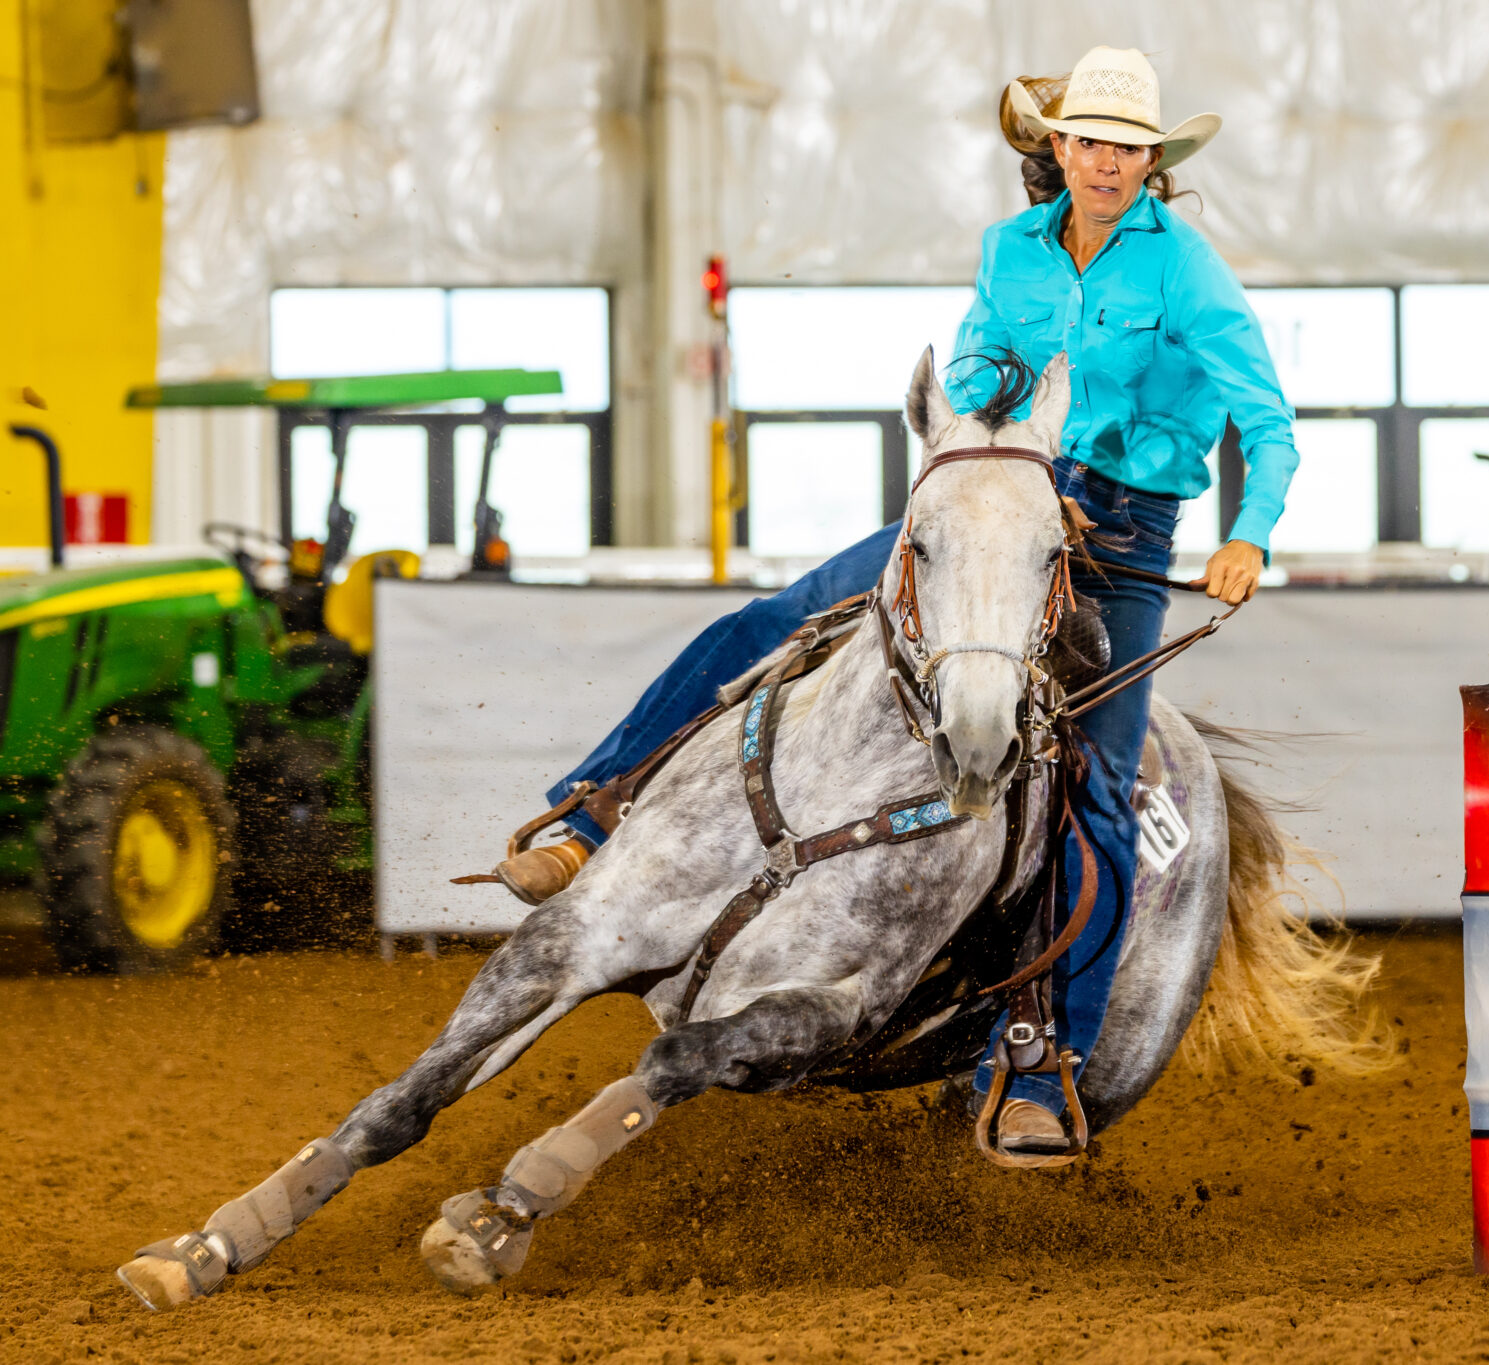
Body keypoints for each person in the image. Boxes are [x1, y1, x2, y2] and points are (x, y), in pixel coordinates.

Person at [483, 47, 1299, 1157]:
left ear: (1152, 162)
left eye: (1127, 146)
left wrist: (1247, 535)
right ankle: (591, 812)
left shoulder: (1189, 276)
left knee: (1096, 789)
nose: (1107, 161)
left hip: (1117, 530)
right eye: (1089, 140)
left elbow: (1267, 420)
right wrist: (972, 420)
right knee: (766, 624)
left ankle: (1037, 1055)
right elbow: (978, 362)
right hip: (999, 493)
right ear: (1055, 150)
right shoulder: (1007, 251)